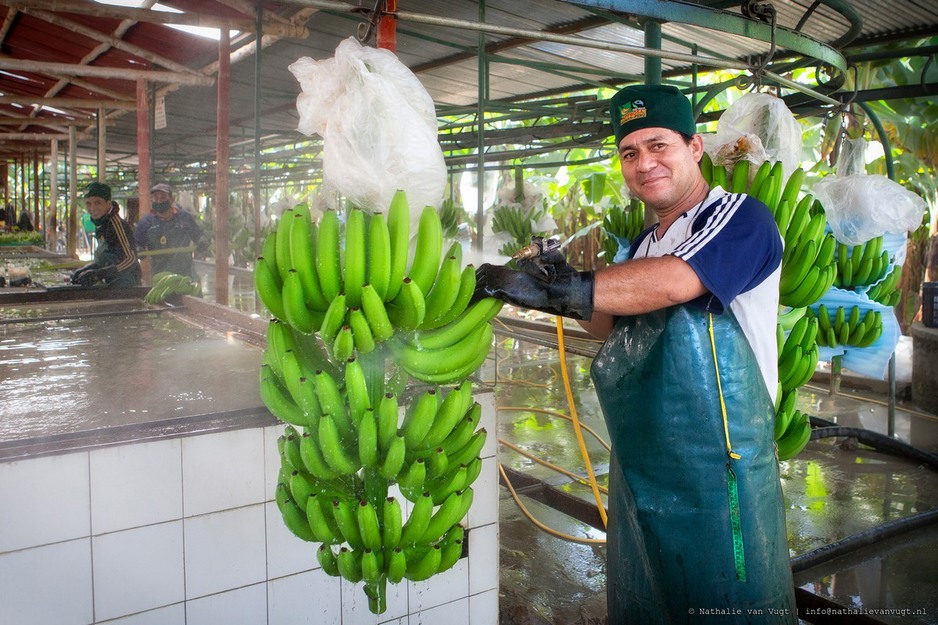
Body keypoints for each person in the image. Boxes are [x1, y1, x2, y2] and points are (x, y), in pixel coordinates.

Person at [475, 85, 796, 623]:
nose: (644, 163)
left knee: (731, 602)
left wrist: (573, 288)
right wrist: (544, 286)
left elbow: (675, 284)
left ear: (694, 148)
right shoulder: (641, 245)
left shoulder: (742, 218)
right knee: (647, 597)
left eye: (658, 145)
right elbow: (610, 323)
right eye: (629, 153)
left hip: (720, 469)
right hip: (642, 462)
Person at [70, 182, 141, 287]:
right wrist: (88, 268)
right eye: (88, 203)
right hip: (111, 281)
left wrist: (100, 273)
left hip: (126, 282)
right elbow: (105, 257)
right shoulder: (102, 224)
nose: (92, 208)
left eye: (97, 203)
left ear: (108, 204)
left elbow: (130, 259)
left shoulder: (115, 224)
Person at [134, 182, 208, 280]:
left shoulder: (184, 217)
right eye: (156, 198)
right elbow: (137, 244)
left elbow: (198, 235)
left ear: (171, 199)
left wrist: (203, 241)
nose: (159, 201)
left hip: (186, 273)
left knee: (191, 294)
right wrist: (138, 250)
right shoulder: (146, 222)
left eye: (163, 197)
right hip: (160, 274)